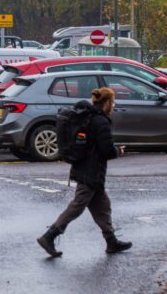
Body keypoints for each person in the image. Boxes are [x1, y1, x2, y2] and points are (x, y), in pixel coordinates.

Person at [37, 87, 132, 257]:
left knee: (103, 206)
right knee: (77, 206)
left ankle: (111, 241)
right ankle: (49, 236)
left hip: (85, 168)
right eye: (113, 101)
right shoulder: (100, 121)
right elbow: (106, 150)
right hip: (91, 172)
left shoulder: (88, 118)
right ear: (108, 102)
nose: (114, 105)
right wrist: (119, 151)